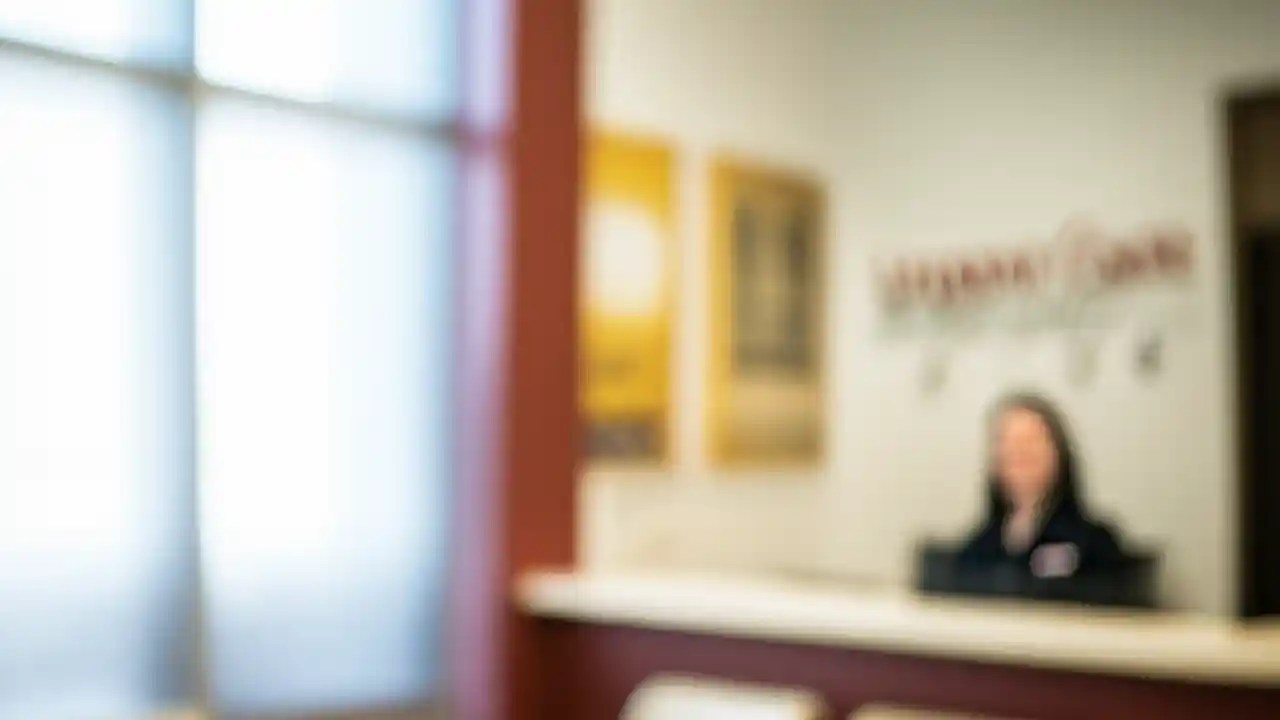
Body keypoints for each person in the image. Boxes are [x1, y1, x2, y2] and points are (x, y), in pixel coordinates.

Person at [957, 392, 1127, 579]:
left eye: (1030, 440)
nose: (1019, 451)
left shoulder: (1094, 543)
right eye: (1008, 442)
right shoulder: (977, 548)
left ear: (1058, 453)